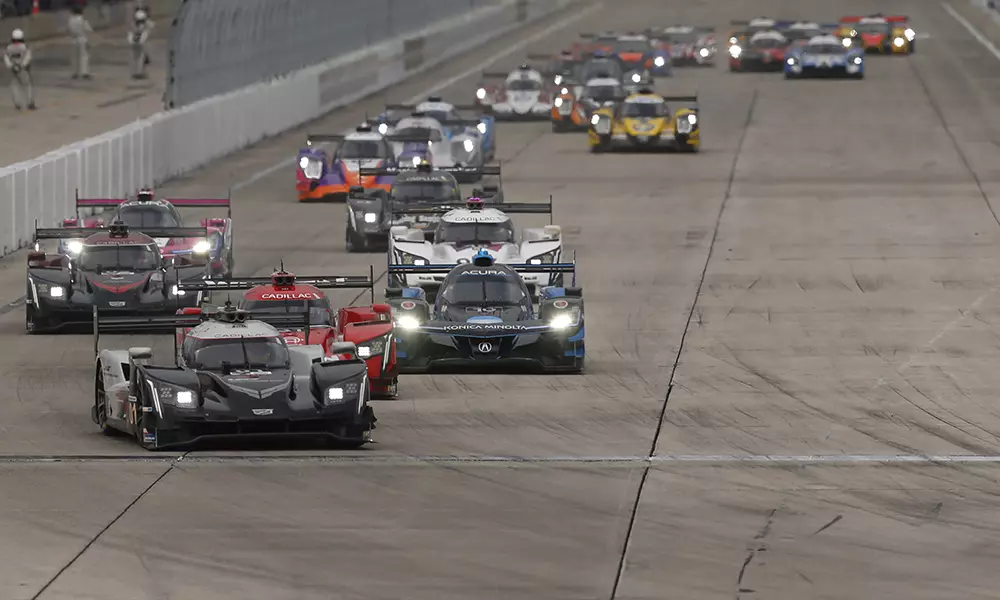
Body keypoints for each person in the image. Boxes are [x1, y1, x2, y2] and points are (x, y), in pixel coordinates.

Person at [3, 28, 35, 110]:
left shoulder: (9, 48)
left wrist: (11, 66)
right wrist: (21, 65)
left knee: (15, 86)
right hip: (22, 69)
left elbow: (6, 58)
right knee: (27, 85)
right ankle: (30, 103)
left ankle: (18, 103)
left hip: (13, 69)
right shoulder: (24, 47)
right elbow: (28, 57)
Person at [67, 5, 93, 79]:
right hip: (82, 38)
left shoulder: (70, 20)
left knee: (74, 57)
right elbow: (88, 29)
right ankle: (84, 72)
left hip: (73, 39)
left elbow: (68, 30)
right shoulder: (82, 19)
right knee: (84, 56)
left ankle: (75, 72)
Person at [128, 8, 153, 79]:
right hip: (136, 44)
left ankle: (140, 72)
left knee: (142, 58)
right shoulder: (133, 26)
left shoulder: (146, 26)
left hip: (141, 44)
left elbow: (146, 33)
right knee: (137, 58)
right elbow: (131, 34)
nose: (140, 23)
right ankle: (137, 73)